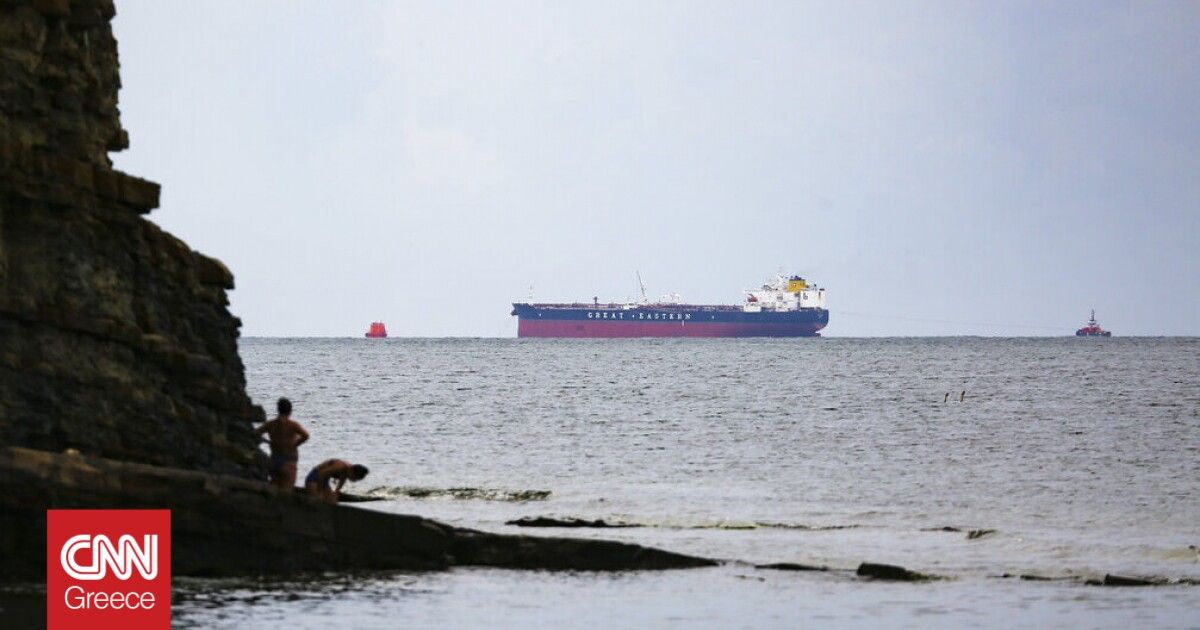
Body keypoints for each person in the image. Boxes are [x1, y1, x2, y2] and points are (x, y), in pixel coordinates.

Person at [254, 398, 310, 490]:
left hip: (274, 460)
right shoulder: (292, 425)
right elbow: (306, 435)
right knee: (286, 495)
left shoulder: (270, 424)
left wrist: (266, 441)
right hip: (289, 461)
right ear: (290, 411)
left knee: (274, 491)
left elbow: (255, 433)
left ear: (278, 410)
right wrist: (295, 444)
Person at [304, 459, 369, 503]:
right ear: (352, 472)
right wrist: (320, 492)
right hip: (314, 477)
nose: (355, 481)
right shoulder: (339, 466)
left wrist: (336, 492)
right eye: (355, 479)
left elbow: (342, 481)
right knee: (318, 500)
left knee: (333, 501)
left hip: (324, 480)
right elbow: (321, 474)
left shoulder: (347, 470)